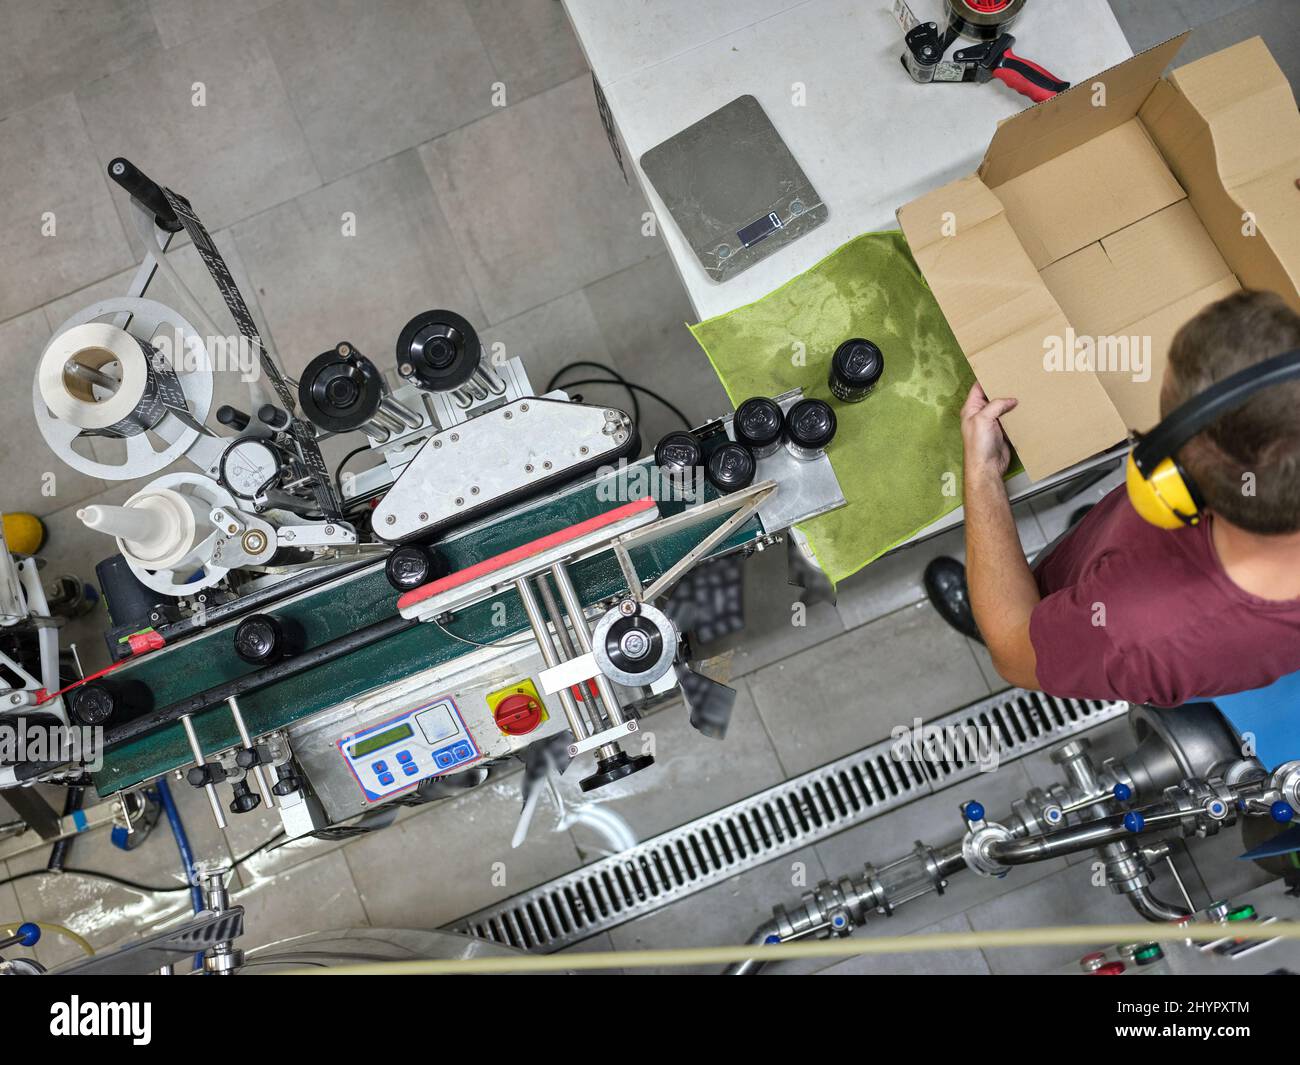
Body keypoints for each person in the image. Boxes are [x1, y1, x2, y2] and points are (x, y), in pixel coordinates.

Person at [925, 289, 1300, 708]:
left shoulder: (1137, 631)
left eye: (1159, 431)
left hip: (1062, 629)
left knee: (1017, 620)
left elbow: (1014, 652)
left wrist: (983, 473)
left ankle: (991, 616)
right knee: (1094, 548)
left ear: (1172, 483)